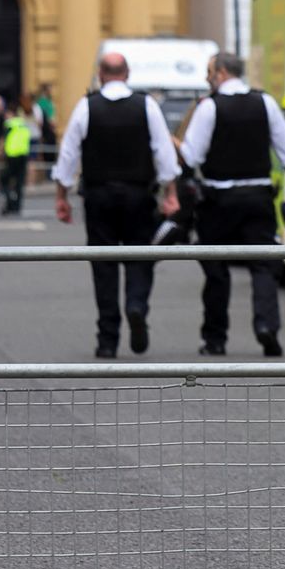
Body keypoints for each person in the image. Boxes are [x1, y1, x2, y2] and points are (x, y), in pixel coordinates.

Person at [54, 53, 182, 358]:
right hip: (139, 195)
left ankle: (107, 339)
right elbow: (164, 153)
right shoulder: (146, 105)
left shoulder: (87, 106)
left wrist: (62, 196)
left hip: (99, 197)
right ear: (127, 73)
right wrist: (171, 192)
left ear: (101, 74)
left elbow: (68, 155)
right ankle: (136, 305)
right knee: (140, 256)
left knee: (104, 265)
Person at [178, 52, 285, 358]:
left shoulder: (209, 107)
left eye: (209, 71)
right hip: (259, 196)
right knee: (264, 265)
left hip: (218, 200)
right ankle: (266, 327)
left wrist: (172, 141)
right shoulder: (266, 103)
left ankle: (215, 338)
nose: (207, 78)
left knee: (216, 270)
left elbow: (192, 157)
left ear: (220, 73)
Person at [0, 98, 34, 213]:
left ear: (10, 113)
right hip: (23, 155)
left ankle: (9, 203)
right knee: (19, 183)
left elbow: (3, 140)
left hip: (12, 155)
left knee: (5, 180)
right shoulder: (23, 123)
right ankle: (17, 206)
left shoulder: (9, 124)